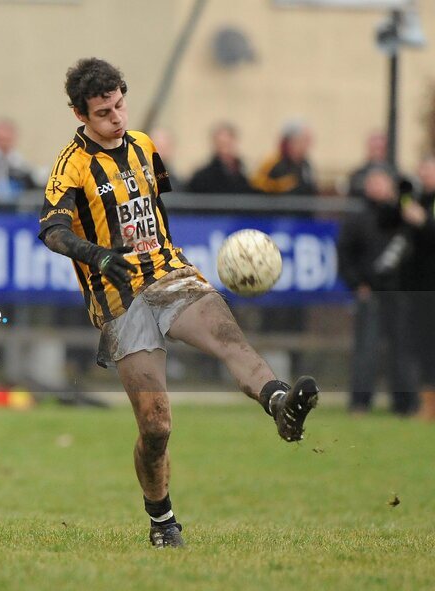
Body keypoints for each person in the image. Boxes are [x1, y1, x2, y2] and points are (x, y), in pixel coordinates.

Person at [38, 58, 319, 548]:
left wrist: (170, 253)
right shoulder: (72, 165)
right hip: (118, 297)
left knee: (230, 339)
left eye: (120, 104)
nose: (117, 117)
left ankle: (279, 402)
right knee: (157, 425)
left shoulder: (145, 147)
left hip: (169, 274)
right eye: (104, 112)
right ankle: (162, 522)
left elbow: (154, 205)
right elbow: (51, 230)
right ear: (80, 114)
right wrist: (99, 256)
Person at [337, 168, 417, 415]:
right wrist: (356, 284)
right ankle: (360, 403)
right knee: (366, 350)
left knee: (402, 351)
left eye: (382, 182)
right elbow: (345, 256)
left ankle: (405, 405)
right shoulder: (357, 219)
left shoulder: (405, 219)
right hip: (369, 294)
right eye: (373, 183)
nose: (377, 187)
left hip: (398, 295)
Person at [403, 155, 435, 421]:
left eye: (428, 170)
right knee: (424, 346)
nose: (423, 175)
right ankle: (428, 405)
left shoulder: (424, 208)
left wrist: (424, 222)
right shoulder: (416, 201)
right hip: (420, 288)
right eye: (421, 170)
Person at [186, 122, 255, 194]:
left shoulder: (246, 175)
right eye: (221, 144)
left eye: (227, 144)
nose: (225, 150)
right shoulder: (202, 179)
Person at [252, 120, 317, 195]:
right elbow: (256, 184)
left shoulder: (305, 165)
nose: (308, 145)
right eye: (305, 140)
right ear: (292, 141)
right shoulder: (272, 161)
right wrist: (277, 186)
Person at [347, 131, 399, 198]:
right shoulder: (358, 175)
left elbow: (405, 197)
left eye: (381, 148)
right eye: (375, 148)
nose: (377, 153)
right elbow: (352, 193)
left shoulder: (395, 173)